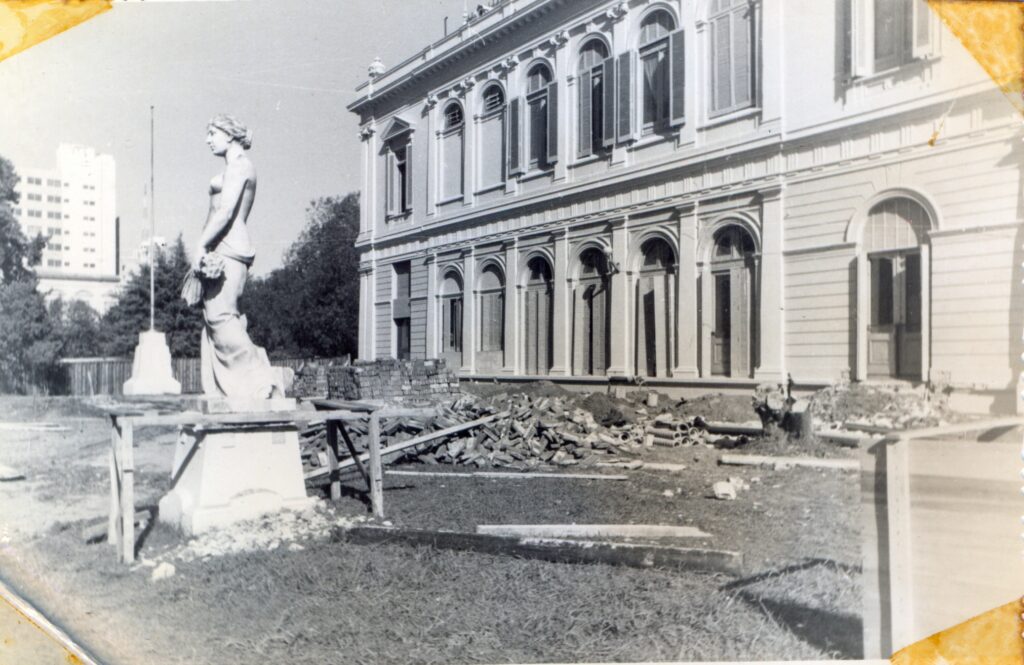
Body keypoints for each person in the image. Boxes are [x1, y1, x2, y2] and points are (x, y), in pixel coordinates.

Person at [194, 114, 286, 399]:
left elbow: (224, 212)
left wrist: (200, 245)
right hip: (221, 247)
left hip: (230, 247)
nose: (208, 139)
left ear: (229, 135)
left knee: (221, 317)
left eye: (213, 133)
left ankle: (261, 379)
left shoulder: (240, 166)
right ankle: (232, 386)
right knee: (218, 318)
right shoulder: (234, 167)